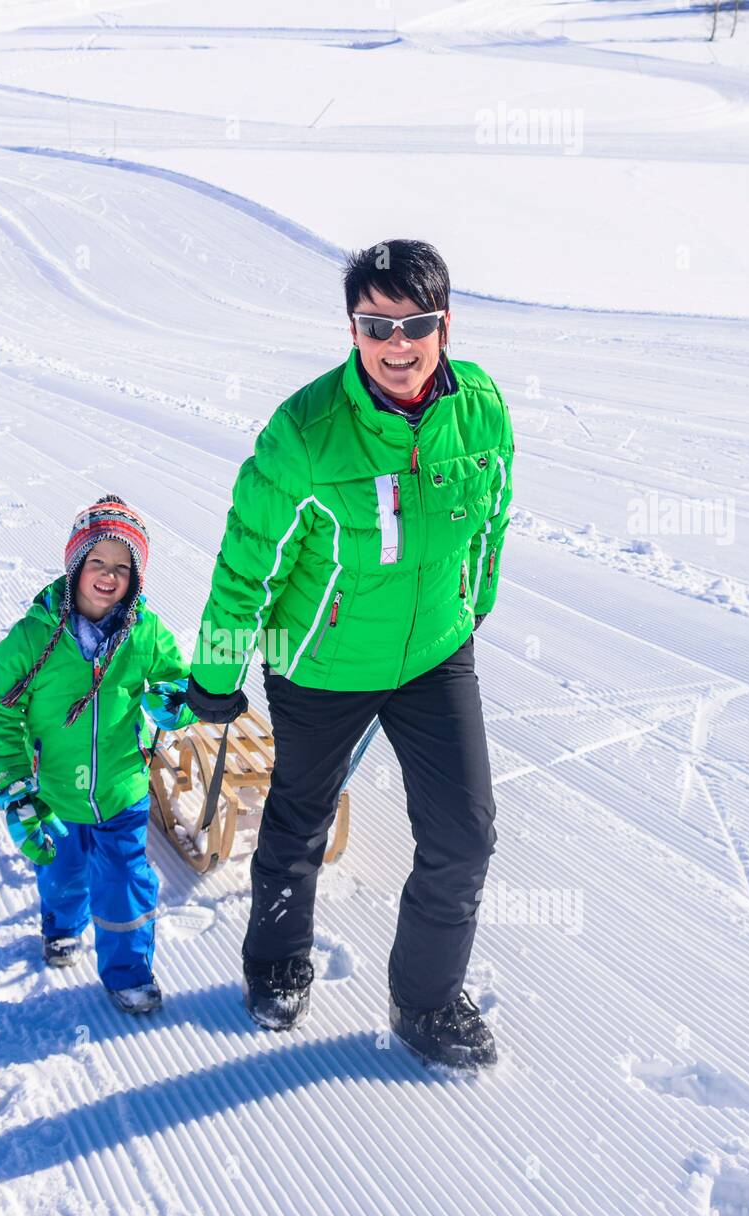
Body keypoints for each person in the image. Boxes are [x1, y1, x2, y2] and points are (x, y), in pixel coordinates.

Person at [185, 239, 514, 1067]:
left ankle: (426, 1004)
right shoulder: (304, 434)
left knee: (464, 836)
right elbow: (244, 566)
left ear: (445, 325)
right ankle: (275, 962)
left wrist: (471, 607)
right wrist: (216, 675)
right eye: (375, 325)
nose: (395, 345)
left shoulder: (479, 408)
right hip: (321, 666)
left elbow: (494, 518)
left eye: (415, 324)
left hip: (434, 655)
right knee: (299, 816)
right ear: (351, 328)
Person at [0, 495, 196, 1014]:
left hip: (122, 788)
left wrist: (176, 705)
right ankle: (60, 925)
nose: (108, 575)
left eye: (122, 567)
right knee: (63, 871)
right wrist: (15, 788)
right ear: (76, 564)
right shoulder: (33, 638)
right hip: (55, 790)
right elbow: (1, 714)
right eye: (97, 561)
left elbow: (178, 682)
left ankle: (128, 973)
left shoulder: (144, 632)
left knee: (124, 882)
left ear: (135, 578)